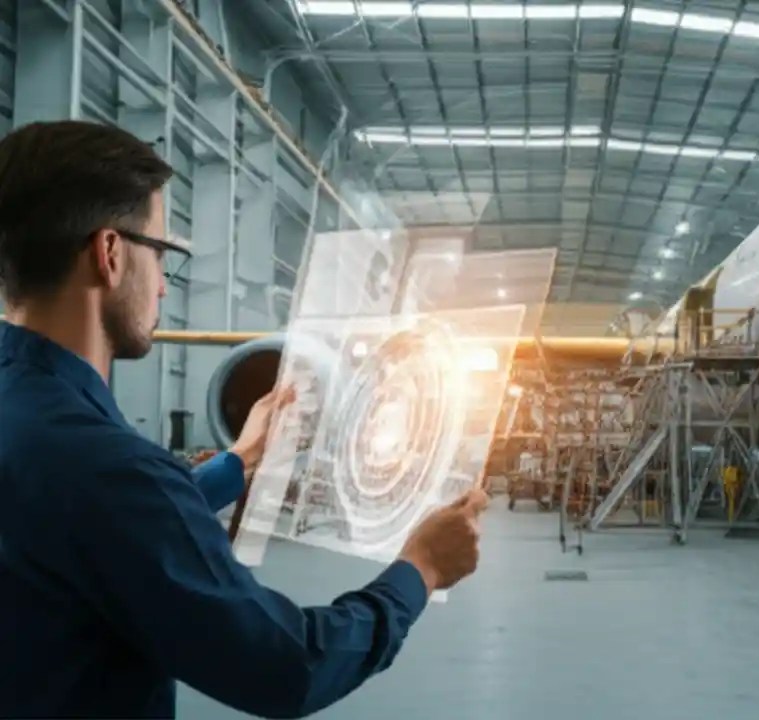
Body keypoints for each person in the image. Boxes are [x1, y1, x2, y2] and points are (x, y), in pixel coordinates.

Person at [0, 120, 488, 718]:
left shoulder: (38, 428)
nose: (162, 288)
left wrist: (238, 461)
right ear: (110, 254)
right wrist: (420, 568)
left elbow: (98, 526)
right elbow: (286, 668)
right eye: (162, 254)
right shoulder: (102, 465)